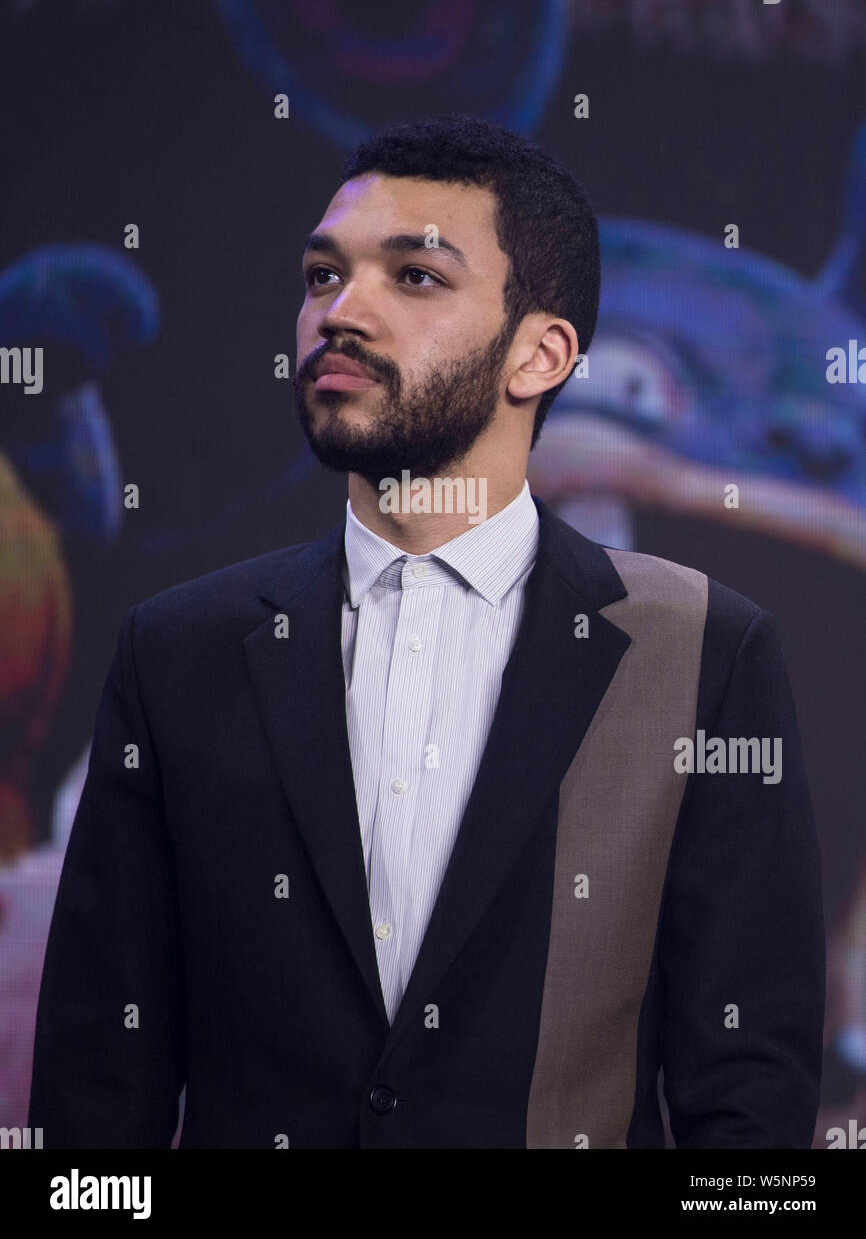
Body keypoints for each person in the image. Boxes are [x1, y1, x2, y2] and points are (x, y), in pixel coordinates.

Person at [29, 114, 825, 1148]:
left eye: (413, 277)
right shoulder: (179, 650)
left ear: (540, 355)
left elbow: (751, 1096)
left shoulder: (702, 652)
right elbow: (96, 1085)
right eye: (323, 275)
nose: (340, 313)